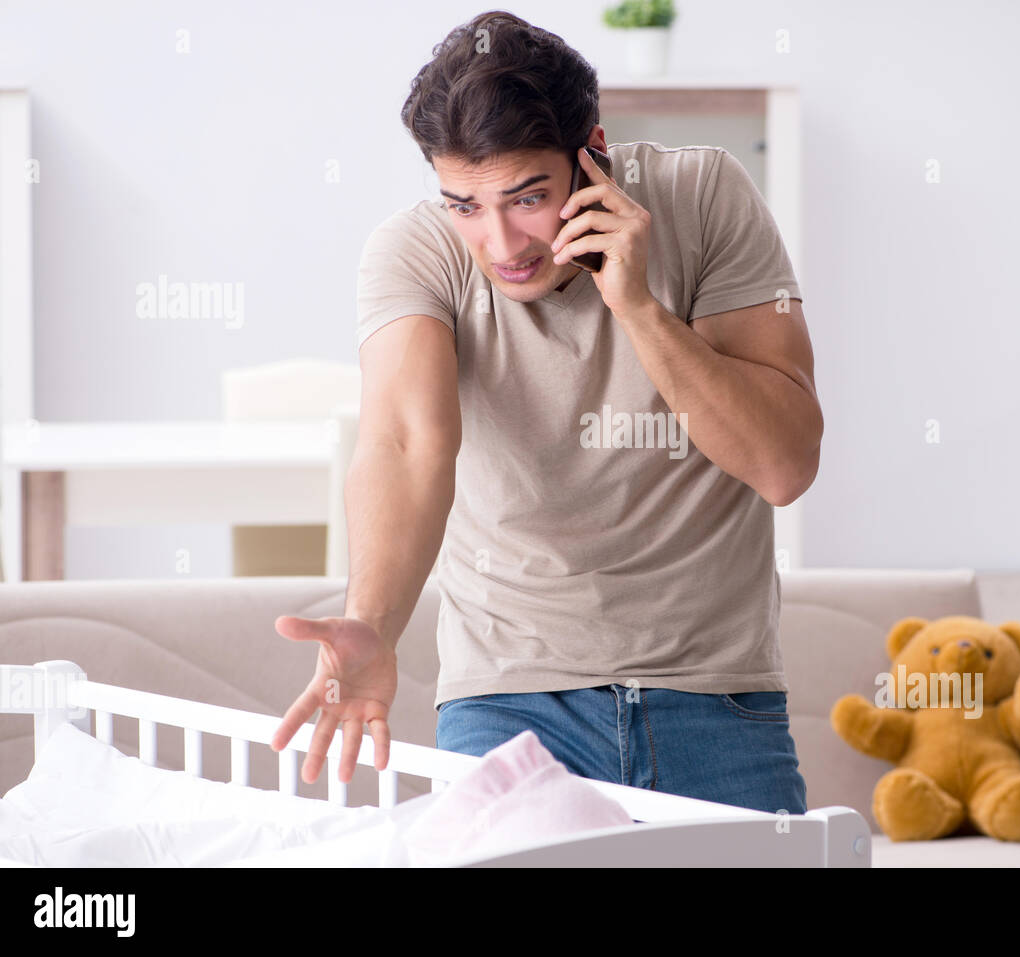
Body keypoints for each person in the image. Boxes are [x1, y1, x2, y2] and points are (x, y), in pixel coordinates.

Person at [271, 9, 822, 814]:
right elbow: (406, 442)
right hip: (508, 701)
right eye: (465, 204)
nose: (500, 243)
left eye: (527, 197)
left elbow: (784, 465)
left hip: (717, 697)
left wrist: (635, 305)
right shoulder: (415, 252)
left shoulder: (701, 196)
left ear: (592, 153)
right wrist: (373, 625)